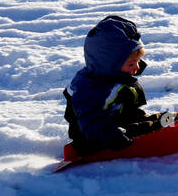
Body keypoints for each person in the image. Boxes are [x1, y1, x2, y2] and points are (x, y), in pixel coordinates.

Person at [63, 15, 167, 155]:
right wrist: (109, 134)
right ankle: (157, 128)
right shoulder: (90, 88)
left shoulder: (114, 76)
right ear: (110, 63)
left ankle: (162, 121)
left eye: (137, 61)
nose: (137, 67)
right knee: (132, 130)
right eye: (131, 64)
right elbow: (89, 119)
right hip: (93, 136)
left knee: (139, 121)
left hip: (116, 119)